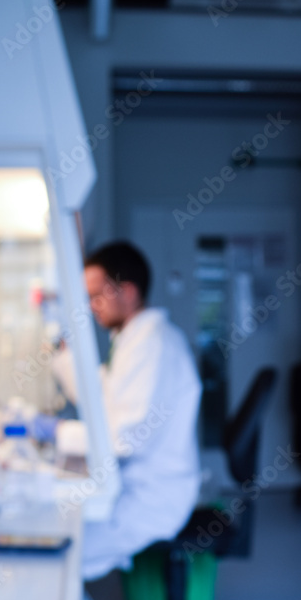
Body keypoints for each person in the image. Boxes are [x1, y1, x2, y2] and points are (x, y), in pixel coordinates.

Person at [52, 241, 202, 581]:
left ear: (128, 291)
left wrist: (57, 432)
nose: (91, 307)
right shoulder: (133, 341)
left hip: (153, 500)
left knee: (61, 550)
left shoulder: (153, 344)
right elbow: (104, 398)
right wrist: (63, 357)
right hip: (136, 488)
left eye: (96, 296)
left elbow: (124, 438)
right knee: (61, 540)